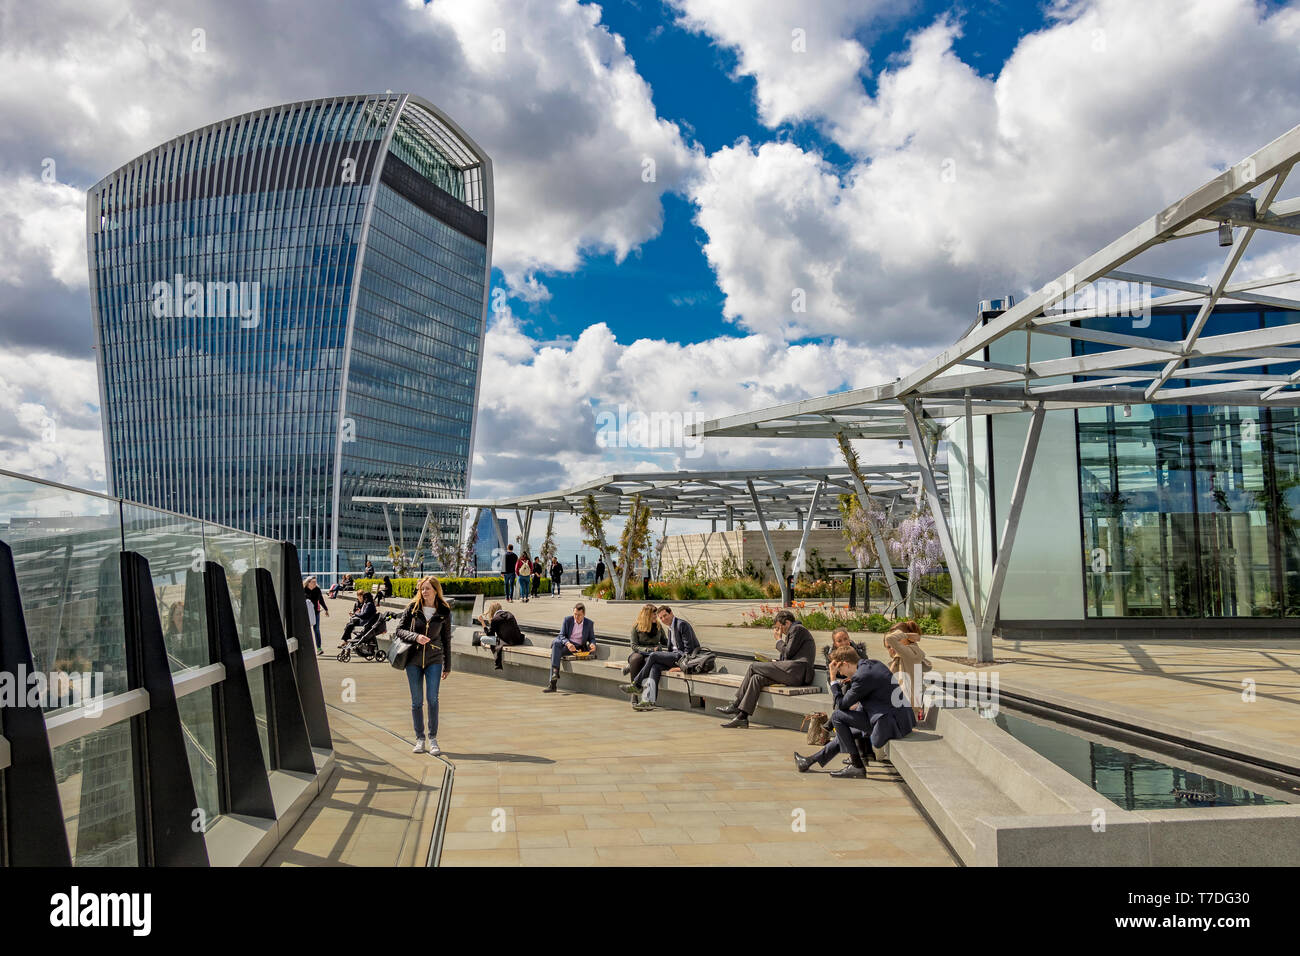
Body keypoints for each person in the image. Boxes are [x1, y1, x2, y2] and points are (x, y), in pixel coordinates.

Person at [802, 645, 916, 778]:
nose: (841, 673)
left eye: (840, 669)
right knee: (847, 733)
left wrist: (833, 680)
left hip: (890, 725)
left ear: (846, 664)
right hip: (900, 719)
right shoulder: (873, 664)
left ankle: (857, 766)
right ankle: (810, 761)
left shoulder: (862, 677)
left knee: (838, 716)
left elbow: (841, 705)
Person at [717, 608, 815, 728]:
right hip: (791, 672)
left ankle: (736, 704)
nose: (780, 631)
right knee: (757, 678)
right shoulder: (793, 632)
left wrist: (778, 640)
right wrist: (774, 662)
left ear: (787, 623)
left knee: (753, 667)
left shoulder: (797, 629)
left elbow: (788, 652)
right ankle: (742, 717)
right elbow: (789, 655)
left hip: (797, 672)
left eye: (780, 627)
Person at [394, 576, 453, 755]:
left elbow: (446, 640)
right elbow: (399, 630)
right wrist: (416, 637)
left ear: (436, 590)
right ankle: (420, 739)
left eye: (427, 588)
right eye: (422, 588)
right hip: (413, 660)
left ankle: (433, 739)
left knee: (433, 700)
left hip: (434, 660)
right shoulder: (413, 608)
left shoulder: (444, 611)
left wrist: (447, 665)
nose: (424, 592)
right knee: (417, 701)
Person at [621, 605, 698, 710]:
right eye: (660, 617)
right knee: (655, 667)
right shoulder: (670, 627)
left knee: (653, 656)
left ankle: (637, 684)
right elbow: (669, 645)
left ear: (671, 613)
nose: (663, 619)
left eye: (665, 616)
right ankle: (649, 701)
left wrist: (680, 667)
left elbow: (688, 651)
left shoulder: (682, 625)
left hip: (682, 658)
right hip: (672, 656)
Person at [544, 602, 596, 693]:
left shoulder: (589, 623)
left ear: (584, 614)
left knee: (555, 651)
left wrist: (593, 644)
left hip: (577, 648)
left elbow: (592, 638)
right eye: (575, 614)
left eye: (579, 615)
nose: (576, 617)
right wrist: (568, 643)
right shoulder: (567, 620)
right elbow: (561, 635)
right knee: (556, 644)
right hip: (567, 645)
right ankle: (555, 674)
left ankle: (553, 683)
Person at [883, 620, 931, 716]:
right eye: (888, 647)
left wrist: (906, 635)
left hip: (907, 709)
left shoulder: (910, 654)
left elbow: (889, 638)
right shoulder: (903, 656)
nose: (892, 648)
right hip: (903, 706)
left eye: (896, 642)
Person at [622, 602, 667, 683]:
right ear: (647, 615)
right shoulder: (636, 627)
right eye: (654, 614)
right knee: (636, 658)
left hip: (654, 654)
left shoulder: (658, 626)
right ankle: (634, 689)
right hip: (640, 652)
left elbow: (665, 641)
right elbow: (634, 646)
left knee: (648, 660)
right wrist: (649, 650)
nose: (656, 616)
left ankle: (632, 670)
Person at [476, 601, 524, 670]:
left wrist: (482, 622)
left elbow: (490, 634)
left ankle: (483, 643)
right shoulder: (510, 614)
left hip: (507, 641)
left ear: (492, 611)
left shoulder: (495, 619)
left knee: (482, 638)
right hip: (517, 639)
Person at [303, 576, 329, 654]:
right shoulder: (303, 590)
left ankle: (319, 648)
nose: (315, 583)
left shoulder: (317, 589)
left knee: (316, 629)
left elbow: (321, 599)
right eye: (313, 582)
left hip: (316, 612)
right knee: (305, 630)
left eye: (315, 582)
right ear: (308, 583)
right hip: (306, 613)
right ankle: (305, 648)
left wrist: (326, 609)